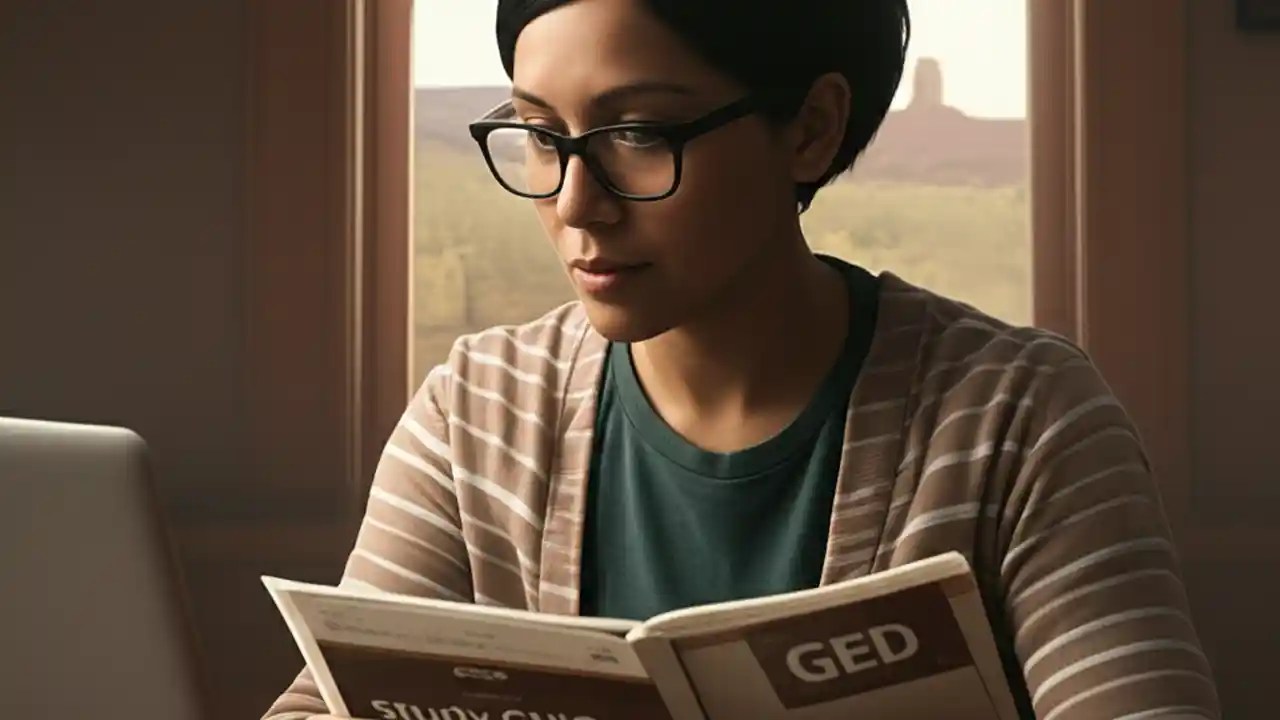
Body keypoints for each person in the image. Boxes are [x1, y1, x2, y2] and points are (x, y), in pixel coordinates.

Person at [264, 0, 1221, 718]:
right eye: (543, 136)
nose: (574, 204)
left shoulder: (1021, 418)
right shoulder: (479, 410)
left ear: (810, 129)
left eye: (636, 134)